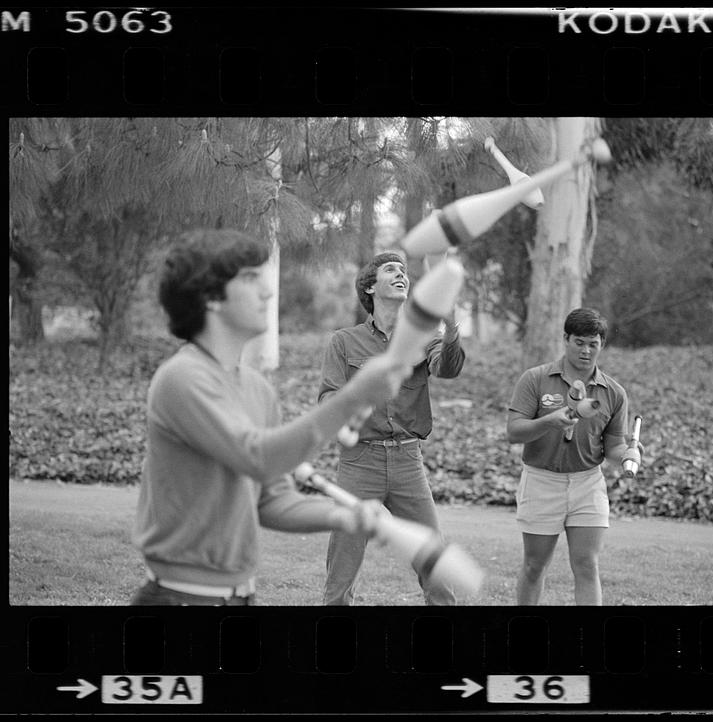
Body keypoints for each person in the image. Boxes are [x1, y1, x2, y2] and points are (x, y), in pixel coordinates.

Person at [130, 229, 409, 606]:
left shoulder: (258, 390)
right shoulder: (182, 378)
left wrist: (347, 517)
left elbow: (273, 499)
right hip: (179, 598)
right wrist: (354, 395)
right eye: (249, 279)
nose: (266, 291)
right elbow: (258, 457)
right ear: (210, 297)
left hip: (242, 596)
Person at [318, 252, 466, 605]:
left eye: (403, 271)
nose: (401, 274)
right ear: (370, 286)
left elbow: (448, 369)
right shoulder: (344, 341)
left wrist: (452, 326)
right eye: (390, 270)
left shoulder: (425, 336)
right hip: (359, 462)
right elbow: (328, 401)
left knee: (433, 559)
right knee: (342, 566)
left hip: (407, 461)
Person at [506, 307, 643, 606]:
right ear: (566, 339)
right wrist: (549, 421)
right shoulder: (535, 379)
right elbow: (514, 432)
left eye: (593, 344)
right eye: (579, 342)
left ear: (601, 345)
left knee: (586, 565)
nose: (586, 350)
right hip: (541, 481)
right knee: (534, 566)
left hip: (587, 483)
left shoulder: (614, 393)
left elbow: (613, 448)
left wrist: (628, 455)